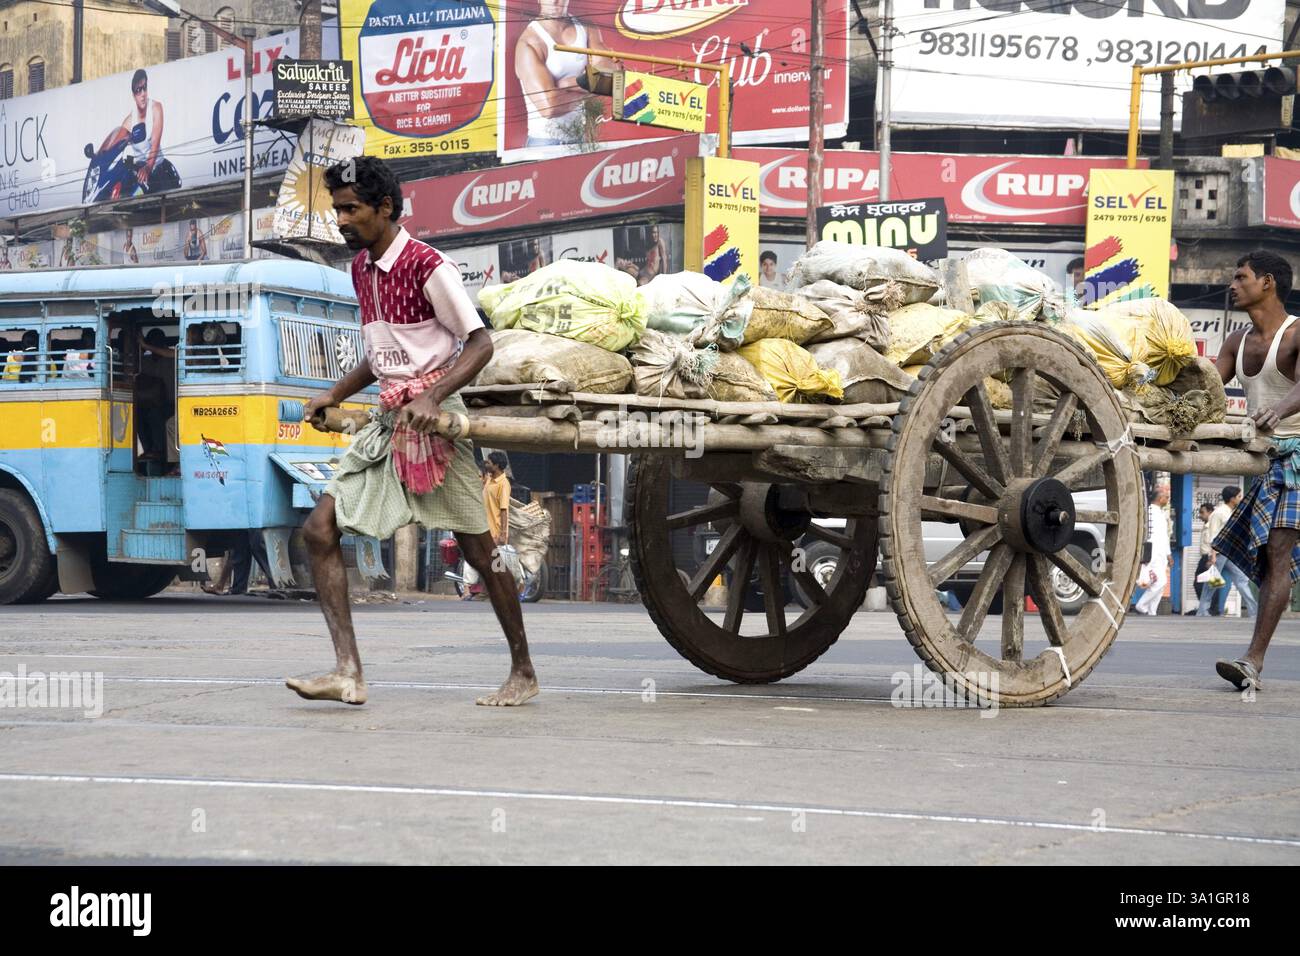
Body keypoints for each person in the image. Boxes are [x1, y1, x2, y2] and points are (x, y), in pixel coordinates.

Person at [289, 155, 536, 707]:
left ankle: (523, 668)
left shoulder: (429, 267)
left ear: (385, 208)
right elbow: (381, 355)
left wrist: (434, 395)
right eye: (338, 210)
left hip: (435, 428)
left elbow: (479, 343)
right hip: (387, 425)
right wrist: (336, 392)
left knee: (481, 553)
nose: (342, 221)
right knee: (319, 529)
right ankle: (347, 671)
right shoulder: (359, 269)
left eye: (351, 210)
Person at [1210, 251, 1300, 691]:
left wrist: (1277, 410)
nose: (1232, 284)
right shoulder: (1235, 342)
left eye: (1240, 276)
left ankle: (1253, 661)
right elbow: (1209, 387)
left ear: (1267, 282)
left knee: (1278, 553)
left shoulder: (1296, 334)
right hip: (1263, 458)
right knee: (1268, 558)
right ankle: (1253, 657)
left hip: (1297, 457)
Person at [516, 0, 608, 147]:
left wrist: (568, 83)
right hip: (545, 143)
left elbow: (610, 77)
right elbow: (549, 107)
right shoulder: (529, 42)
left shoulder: (586, 28)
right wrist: (591, 88)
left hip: (580, 140)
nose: (554, 1)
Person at [96, 69, 179, 196]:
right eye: (138, 90)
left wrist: (147, 167)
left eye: (144, 88)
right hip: (140, 171)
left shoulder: (156, 108)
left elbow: (155, 146)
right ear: (133, 95)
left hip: (157, 171)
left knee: (141, 197)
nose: (143, 93)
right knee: (121, 195)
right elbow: (115, 143)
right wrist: (99, 155)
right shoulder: (130, 121)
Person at [1197, 486, 1258, 618]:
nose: (1240, 499)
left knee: (1242, 579)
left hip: (1230, 553)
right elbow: (1213, 535)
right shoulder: (1219, 513)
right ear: (1232, 499)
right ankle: (1202, 610)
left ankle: (1254, 611)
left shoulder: (1232, 512)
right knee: (1211, 582)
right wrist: (1212, 555)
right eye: (1239, 497)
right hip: (1219, 553)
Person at [136, 328, 175, 462]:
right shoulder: (145, 361)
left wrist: (146, 346)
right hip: (150, 403)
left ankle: (158, 450)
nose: (155, 346)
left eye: (157, 343)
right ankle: (148, 450)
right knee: (138, 415)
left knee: (155, 414)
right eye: (152, 342)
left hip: (173, 404)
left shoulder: (171, 358)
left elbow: (174, 354)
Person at [1135, 484, 1171, 616]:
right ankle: (1141, 605)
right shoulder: (1150, 512)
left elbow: (1164, 536)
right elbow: (1151, 537)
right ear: (1160, 498)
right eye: (1166, 497)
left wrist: (1168, 555)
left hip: (1162, 555)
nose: (1167, 500)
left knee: (1160, 584)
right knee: (1161, 581)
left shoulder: (1160, 513)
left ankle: (1152, 611)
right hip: (1154, 554)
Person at [1190, 502, 1219, 614]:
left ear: (1210, 512)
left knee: (1208, 584)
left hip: (1209, 557)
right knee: (1210, 584)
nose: (1200, 515)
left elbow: (1214, 541)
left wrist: (1212, 558)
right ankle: (1207, 608)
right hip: (1205, 557)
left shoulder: (1213, 525)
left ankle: (1210, 609)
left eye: (1202, 513)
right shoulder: (1206, 525)